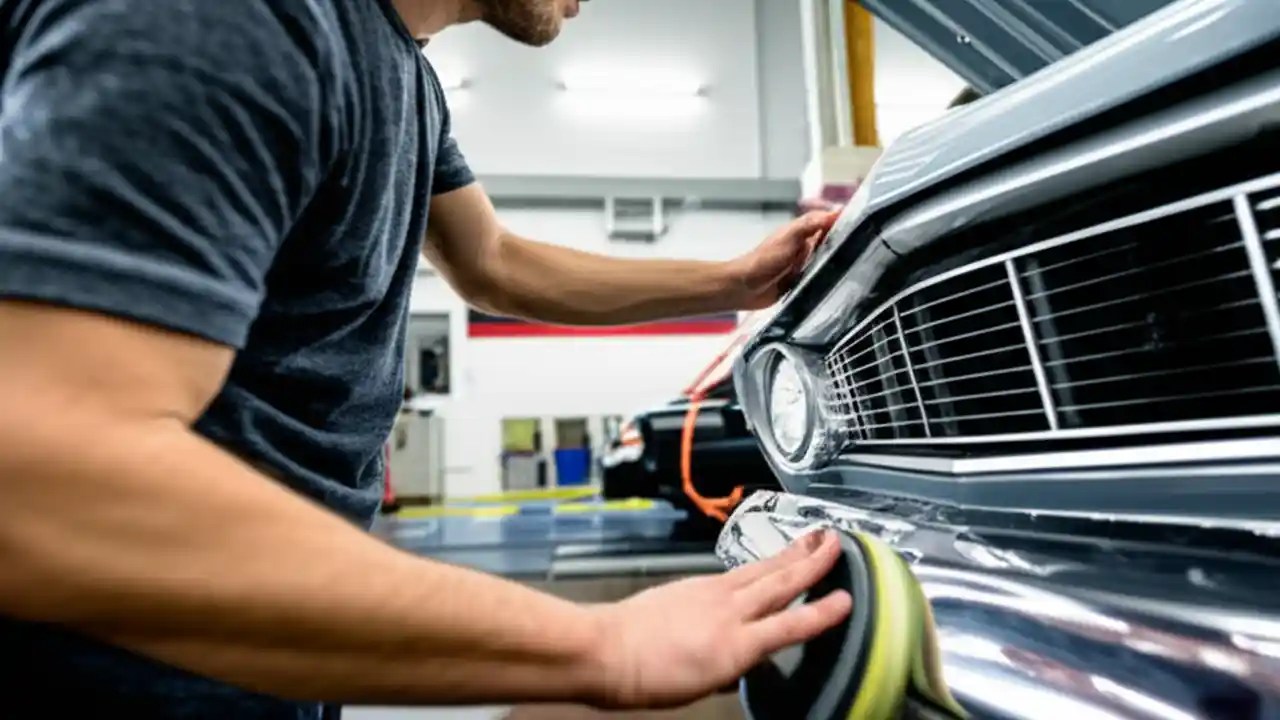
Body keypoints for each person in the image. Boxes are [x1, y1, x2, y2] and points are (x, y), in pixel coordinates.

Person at [0, 0, 851, 718]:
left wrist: (736, 277)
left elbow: (495, 264)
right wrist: (605, 643)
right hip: (122, 652)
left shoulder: (401, 71)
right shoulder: (241, 20)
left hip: (276, 631)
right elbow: (41, 488)